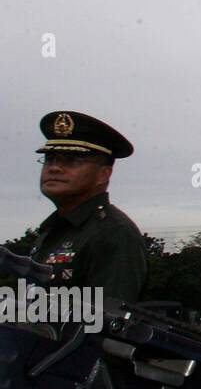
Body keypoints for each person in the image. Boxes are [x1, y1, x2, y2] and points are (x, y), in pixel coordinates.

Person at [27, 111, 147, 302]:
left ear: (103, 175)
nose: (54, 167)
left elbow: (107, 320)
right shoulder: (53, 229)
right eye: (50, 159)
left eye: (72, 160)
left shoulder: (113, 232)